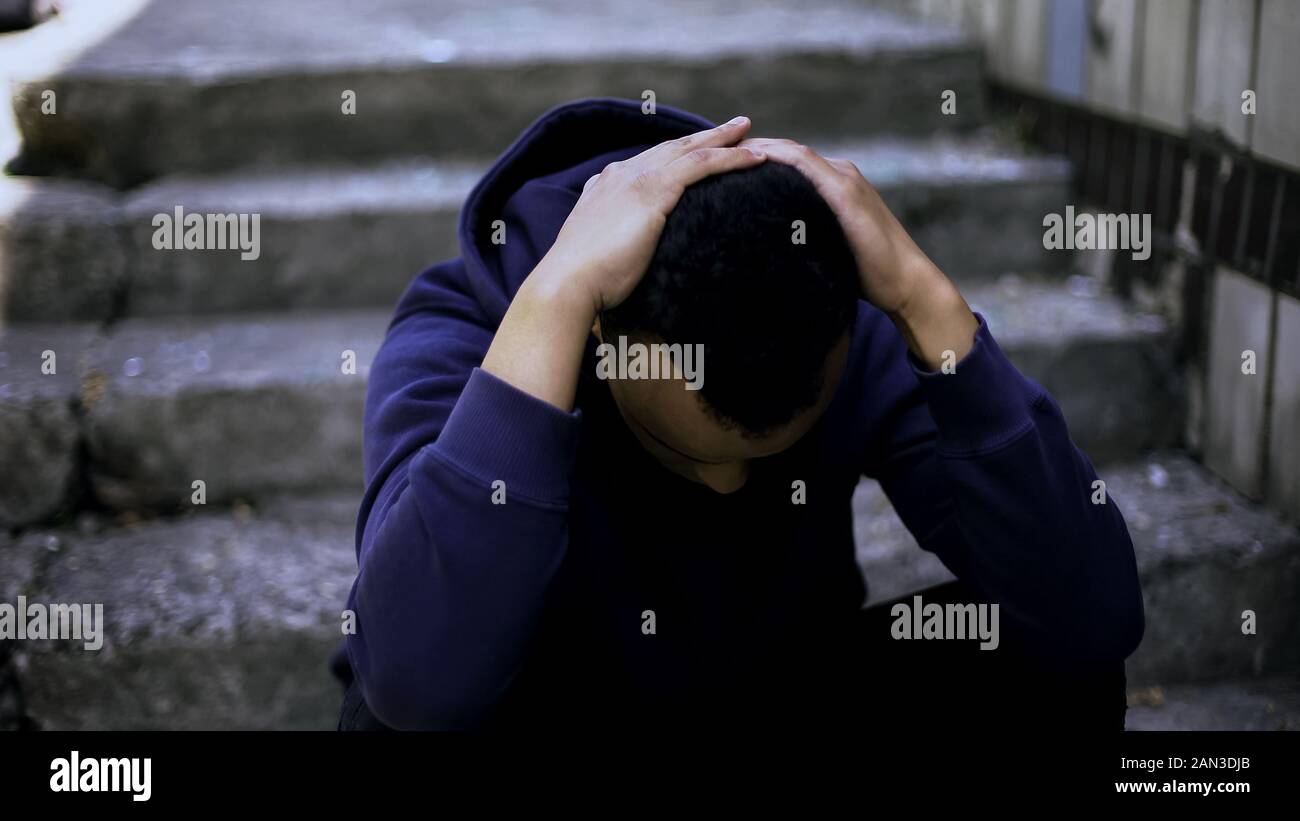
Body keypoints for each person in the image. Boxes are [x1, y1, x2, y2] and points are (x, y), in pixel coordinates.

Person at [334, 98, 1143, 731]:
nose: (727, 486)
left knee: (1048, 652)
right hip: (557, 706)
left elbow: (1095, 615)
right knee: (395, 711)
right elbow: (411, 681)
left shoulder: (841, 315)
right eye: (683, 449)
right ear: (602, 326)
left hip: (773, 695)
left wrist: (923, 299)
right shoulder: (466, 327)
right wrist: (554, 300)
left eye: (763, 456)